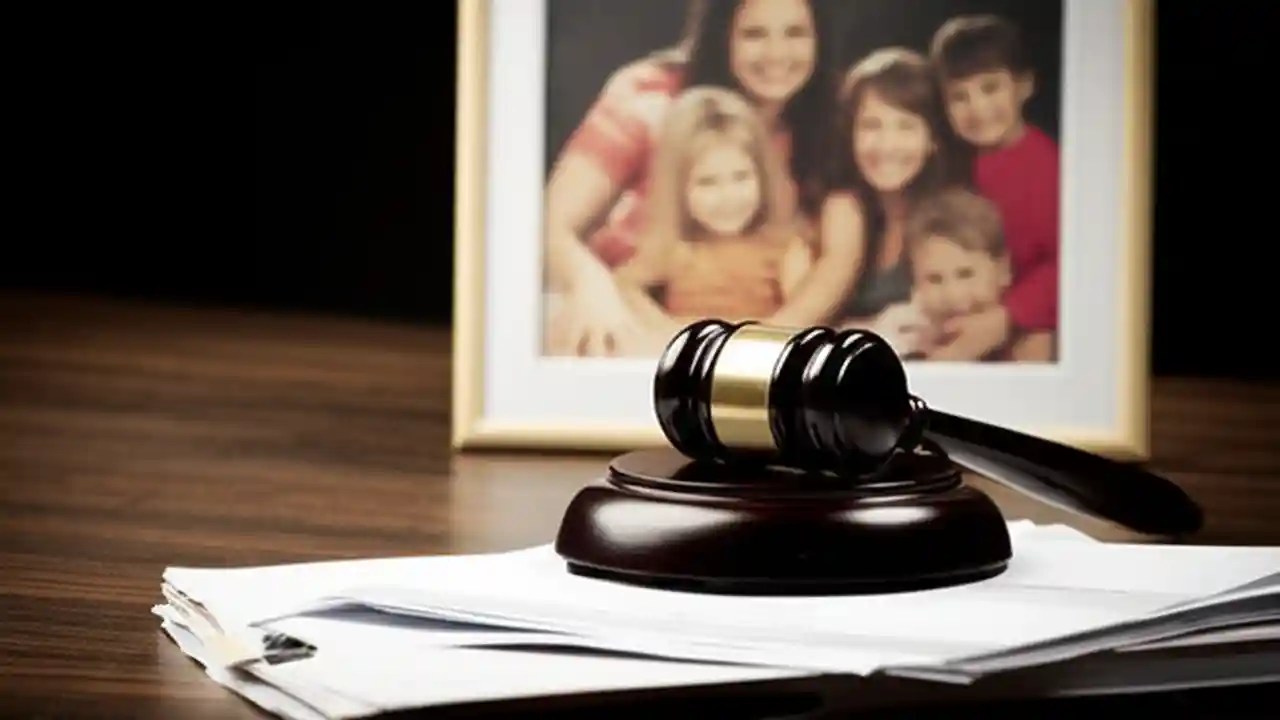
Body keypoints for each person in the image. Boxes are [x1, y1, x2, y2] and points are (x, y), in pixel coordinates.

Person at [542, 0, 854, 357]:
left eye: (795, 33)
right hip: (638, 317)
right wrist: (592, 287)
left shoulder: (831, 116)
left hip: (762, 332)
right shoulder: (650, 93)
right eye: (754, 34)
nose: (776, 53)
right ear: (723, 36)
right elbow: (552, 223)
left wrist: (756, 344)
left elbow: (837, 260)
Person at [610, 87, 812, 339]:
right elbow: (623, 284)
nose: (728, 197)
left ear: (763, 177)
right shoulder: (674, 247)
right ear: (679, 189)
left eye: (741, 177)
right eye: (707, 182)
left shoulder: (783, 247)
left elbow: (801, 319)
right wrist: (664, 328)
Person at [928, 14, 1059, 361]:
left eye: (990, 87)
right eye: (960, 97)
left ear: (1024, 86)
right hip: (963, 302)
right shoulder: (953, 165)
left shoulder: (1048, 167)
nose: (978, 108)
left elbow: (1066, 264)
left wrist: (1008, 317)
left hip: (1026, 317)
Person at [820, 46, 966, 357]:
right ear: (851, 134)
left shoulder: (954, 218)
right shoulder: (839, 212)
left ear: (933, 140)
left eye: (906, 127)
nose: (887, 145)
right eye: (872, 126)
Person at [903, 187, 1055, 361]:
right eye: (934, 279)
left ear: (1003, 271)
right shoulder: (909, 344)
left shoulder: (1031, 346)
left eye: (966, 274)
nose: (954, 295)